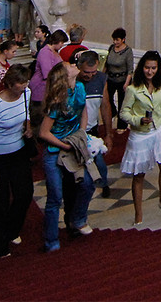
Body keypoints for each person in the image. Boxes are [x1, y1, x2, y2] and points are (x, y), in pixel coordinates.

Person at [39, 60, 95, 249]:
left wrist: (82, 133)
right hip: (55, 151)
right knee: (55, 196)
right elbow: (44, 133)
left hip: (74, 144)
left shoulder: (79, 87)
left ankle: (78, 219)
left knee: (87, 185)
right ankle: (51, 240)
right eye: (69, 65)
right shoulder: (57, 100)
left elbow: (83, 111)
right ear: (65, 76)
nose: (73, 64)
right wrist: (65, 145)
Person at [0, 63, 33, 260]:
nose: (24, 85)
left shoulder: (26, 93)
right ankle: (0, 244)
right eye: (20, 82)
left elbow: (27, 112)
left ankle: (11, 229)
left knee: (25, 194)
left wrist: (27, 127)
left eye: (26, 81)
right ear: (10, 84)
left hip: (18, 152)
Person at [119, 51, 161, 224]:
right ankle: (138, 214)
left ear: (158, 68)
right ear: (141, 67)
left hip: (158, 129)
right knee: (139, 174)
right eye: (147, 68)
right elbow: (123, 113)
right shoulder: (133, 89)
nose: (150, 71)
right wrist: (138, 120)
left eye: (153, 68)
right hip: (140, 133)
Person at [75, 50, 114, 195]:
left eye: (93, 72)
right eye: (86, 72)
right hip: (75, 132)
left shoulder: (101, 79)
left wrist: (109, 134)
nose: (90, 75)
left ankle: (103, 184)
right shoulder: (72, 80)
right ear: (79, 67)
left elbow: (105, 106)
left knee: (100, 162)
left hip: (92, 130)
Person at [103, 28, 134, 127]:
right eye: (114, 40)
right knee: (108, 98)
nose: (115, 42)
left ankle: (122, 125)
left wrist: (126, 83)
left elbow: (130, 69)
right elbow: (106, 64)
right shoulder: (111, 48)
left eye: (117, 40)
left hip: (123, 79)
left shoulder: (128, 51)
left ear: (123, 39)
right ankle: (112, 112)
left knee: (122, 103)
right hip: (111, 78)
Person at [30, 29, 68, 109]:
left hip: (50, 88)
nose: (62, 45)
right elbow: (47, 73)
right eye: (61, 42)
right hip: (41, 88)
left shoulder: (54, 52)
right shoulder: (45, 52)